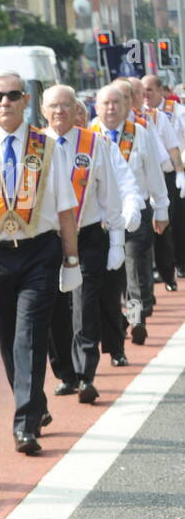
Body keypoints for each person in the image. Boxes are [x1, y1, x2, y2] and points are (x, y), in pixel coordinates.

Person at [0, 70, 81, 456]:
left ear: (26, 100)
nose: (5, 102)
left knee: (30, 334)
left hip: (39, 251)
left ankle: (24, 424)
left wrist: (71, 259)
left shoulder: (47, 146)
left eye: (12, 95)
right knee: (7, 338)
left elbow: (65, 208)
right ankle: (34, 404)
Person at [39, 84, 135, 404]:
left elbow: (110, 194)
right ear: (42, 111)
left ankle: (85, 373)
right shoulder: (35, 146)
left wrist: (117, 242)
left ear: (77, 109)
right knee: (54, 305)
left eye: (66, 105)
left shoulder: (94, 144)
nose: (60, 112)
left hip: (89, 234)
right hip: (49, 238)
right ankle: (65, 372)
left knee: (85, 301)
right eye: (53, 106)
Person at [90, 83, 169, 349]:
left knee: (136, 270)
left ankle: (137, 320)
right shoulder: (87, 136)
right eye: (106, 103)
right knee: (111, 276)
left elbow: (154, 173)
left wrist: (161, 208)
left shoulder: (141, 133)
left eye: (117, 103)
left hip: (137, 214)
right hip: (100, 220)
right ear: (97, 107)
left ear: (126, 106)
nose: (111, 108)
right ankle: (118, 322)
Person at [142, 74, 185, 288]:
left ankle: (171, 268)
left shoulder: (172, 113)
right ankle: (155, 270)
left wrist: (181, 172)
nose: (145, 95)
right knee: (146, 229)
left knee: (171, 223)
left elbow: (173, 147)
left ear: (161, 90)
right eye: (142, 91)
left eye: (150, 89)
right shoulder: (139, 117)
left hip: (168, 176)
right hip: (143, 180)